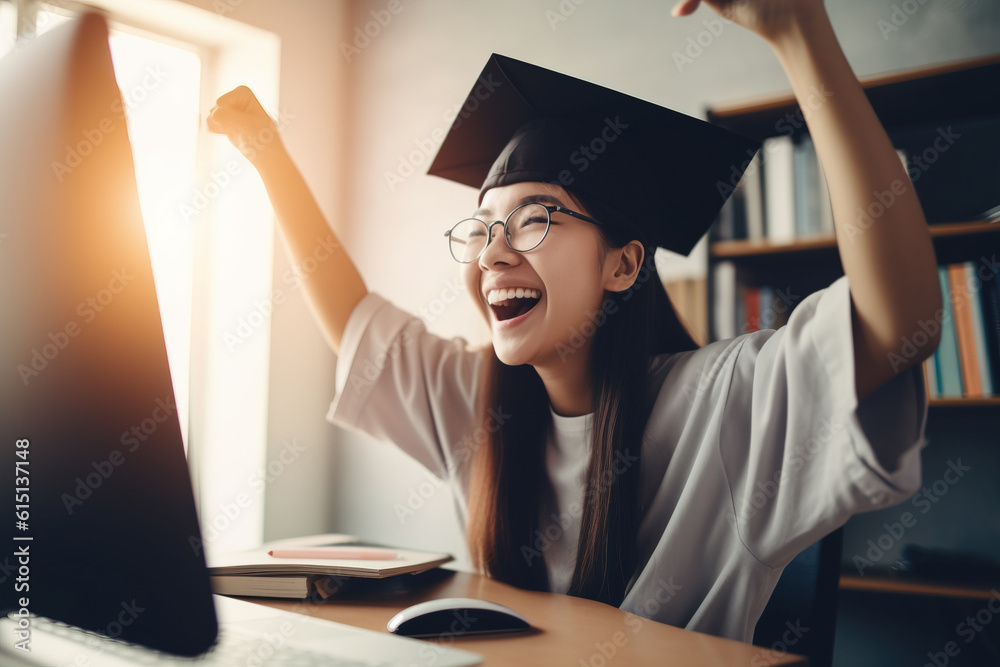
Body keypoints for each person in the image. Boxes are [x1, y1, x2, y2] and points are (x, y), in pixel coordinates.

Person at [207, 0, 941, 644]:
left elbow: (895, 319)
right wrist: (266, 153)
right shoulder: (477, 398)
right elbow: (354, 317)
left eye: (533, 221)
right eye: (481, 228)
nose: (493, 254)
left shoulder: (725, 404)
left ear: (623, 266)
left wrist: (799, 31)